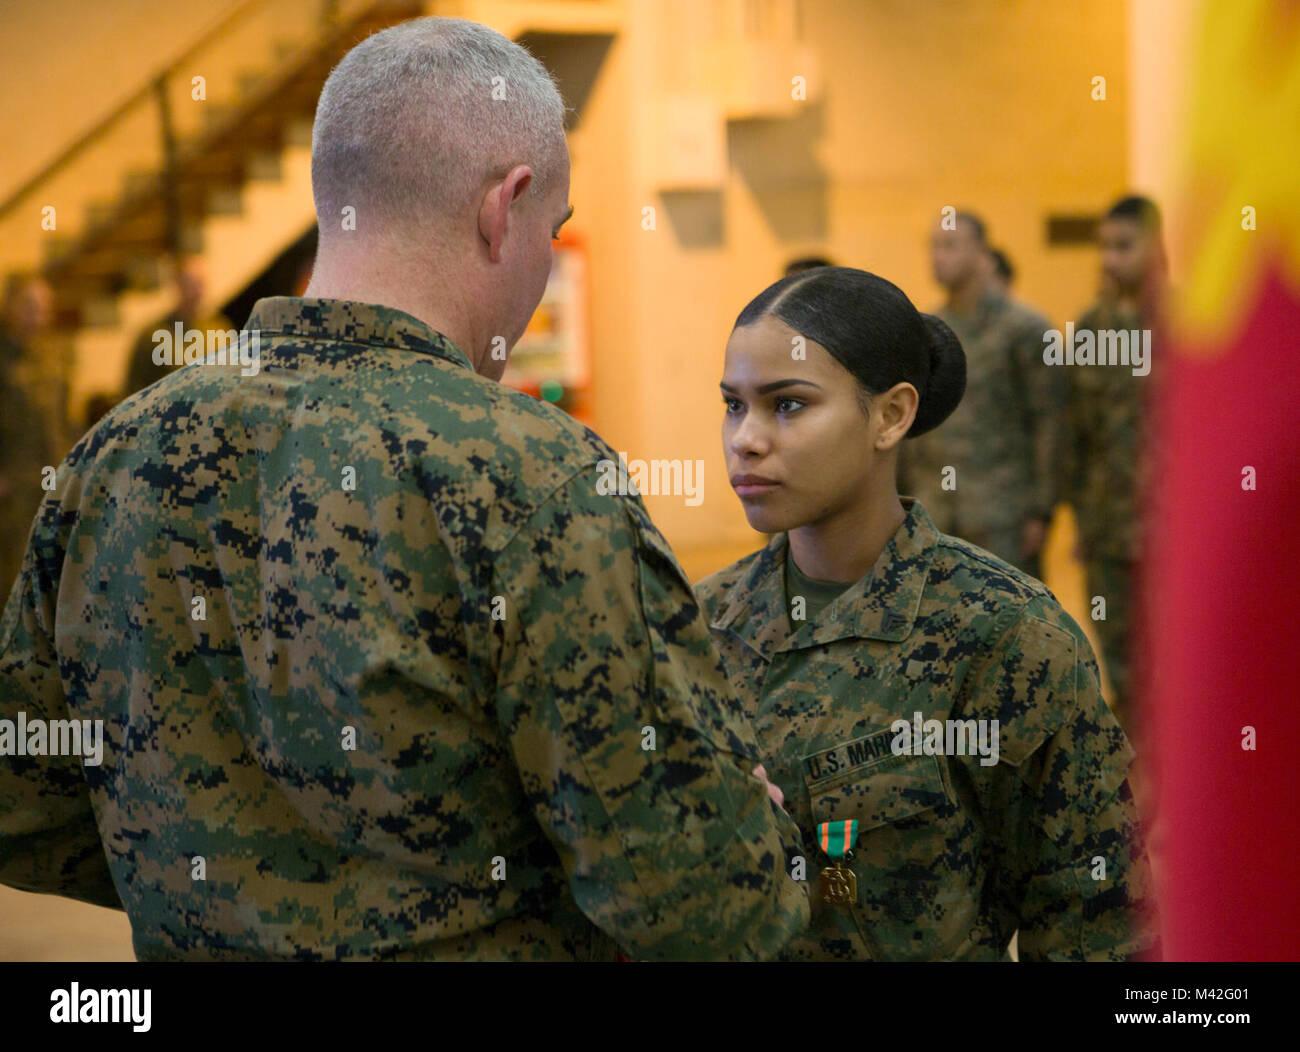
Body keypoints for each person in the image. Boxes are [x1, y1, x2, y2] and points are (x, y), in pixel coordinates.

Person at [0, 16, 808, 962]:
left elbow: (26, 806)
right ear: (503, 209)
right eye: (552, 229)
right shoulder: (535, 478)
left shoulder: (113, 456)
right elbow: (705, 905)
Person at [696, 266, 1158, 960]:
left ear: (891, 415)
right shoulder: (699, 624)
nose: (746, 439)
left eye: (788, 404)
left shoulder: (1004, 636)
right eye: (734, 405)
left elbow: (1098, 927)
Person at [901, 212, 1062, 578]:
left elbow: (1050, 420)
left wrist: (1042, 510)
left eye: (950, 246)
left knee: (1011, 626)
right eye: (933, 247)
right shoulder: (928, 331)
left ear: (981, 253)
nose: (937, 257)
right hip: (937, 511)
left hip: (1003, 514)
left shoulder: (1025, 329)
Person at [1062, 195, 1168, 737]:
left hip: (1174, 525)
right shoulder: (1091, 330)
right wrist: (1079, 519)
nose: (1110, 258)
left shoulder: (1187, 321)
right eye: (1103, 246)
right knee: (1116, 648)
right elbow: (1077, 433)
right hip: (1106, 521)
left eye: (1123, 245)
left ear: (1157, 245)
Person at [0, 273, 58, 594]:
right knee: (12, 576)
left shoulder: (52, 354)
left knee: (48, 569)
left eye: (45, 309)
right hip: (13, 487)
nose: (40, 317)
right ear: (9, 306)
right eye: (31, 307)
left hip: (50, 479)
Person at [120, 255, 232, 401]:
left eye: (200, 283)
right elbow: (133, 389)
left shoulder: (219, 329)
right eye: (191, 284)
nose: (197, 291)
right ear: (178, 285)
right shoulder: (153, 335)